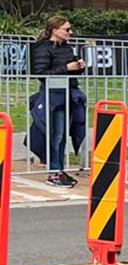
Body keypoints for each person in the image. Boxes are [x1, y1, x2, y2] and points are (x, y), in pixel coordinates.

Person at [30, 16, 86, 187]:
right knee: (55, 134)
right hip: (52, 96)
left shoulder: (67, 48)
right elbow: (41, 72)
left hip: (67, 94)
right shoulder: (43, 48)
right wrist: (67, 68)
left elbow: (70, 71)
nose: (70, 32)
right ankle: (54, 172)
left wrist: (79, 67)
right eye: (67, 29)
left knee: (62, 136)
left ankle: (58, 169)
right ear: (55, 30)